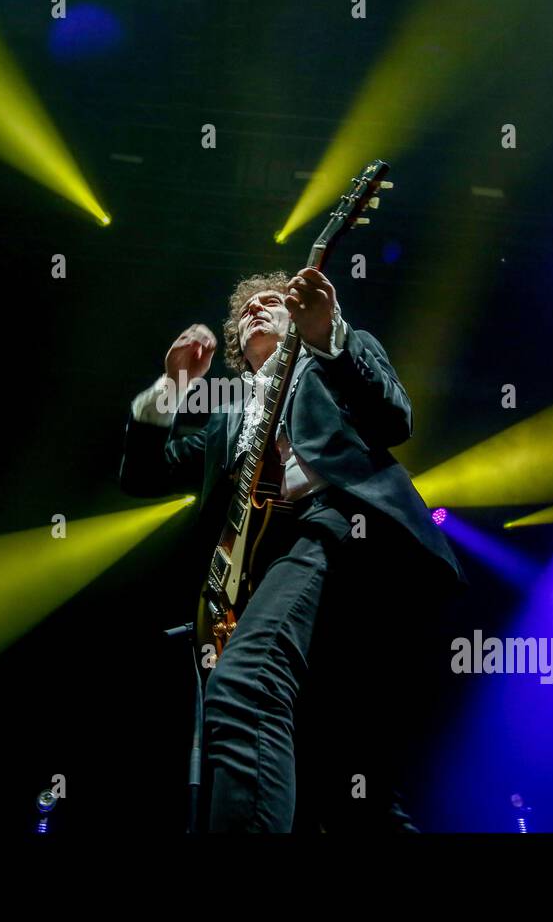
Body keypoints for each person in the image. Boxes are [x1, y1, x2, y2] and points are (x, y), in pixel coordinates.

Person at [119, 267, 463, 832]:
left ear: (298, 315)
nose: (258, 306)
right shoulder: (229, 416)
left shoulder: (329, 361)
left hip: (343, 535)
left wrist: (329, 334)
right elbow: (142, 473)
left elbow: (394, 419)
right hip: (271, 575)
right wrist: (171, 389)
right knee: (344, 779)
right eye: (248, 305)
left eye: (273, 300)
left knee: (243, 685)